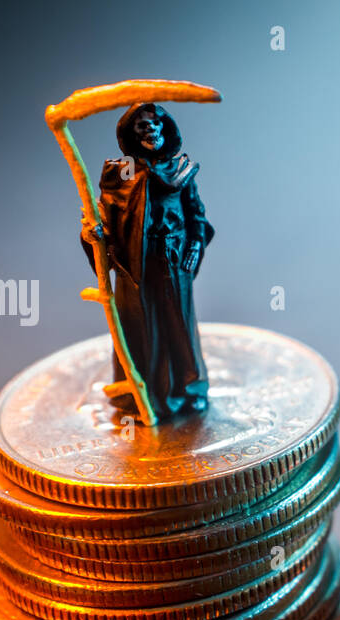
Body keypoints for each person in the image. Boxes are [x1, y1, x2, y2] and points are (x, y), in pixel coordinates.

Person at [83, 103, 214, 420]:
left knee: (179, 323)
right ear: (131, 132)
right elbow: (106, 215)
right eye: (142, 125)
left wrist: (194, 243)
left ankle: (190, 389)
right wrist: (95, 232)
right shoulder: (121, 172)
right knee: (140, 327)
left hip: (173, 256)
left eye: (155, 123)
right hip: (134, 262)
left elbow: (197, 215)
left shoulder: (179, 169)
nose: (150, 130)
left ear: (165, 127)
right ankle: (138, 395)